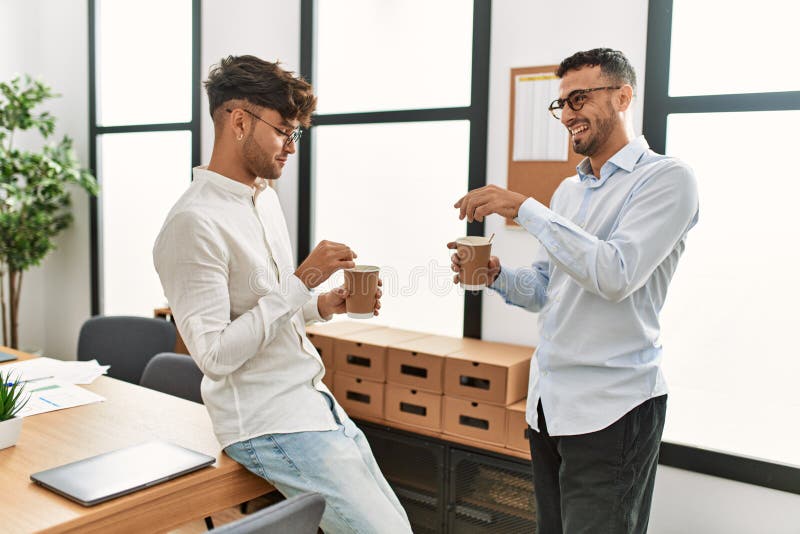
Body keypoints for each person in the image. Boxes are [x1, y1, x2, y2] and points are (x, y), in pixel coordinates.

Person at [153, 55, 411, 534]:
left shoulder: (263, 198)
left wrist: (318, 305)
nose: (292, 146)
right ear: (237, 121)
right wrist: (303, 280)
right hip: (264, 419)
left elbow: (266, 311)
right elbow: (213, 355)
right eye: (283, 131)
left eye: (296, 133)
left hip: (310, 400)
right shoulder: (193, 223)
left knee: (398, 526)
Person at [450, 48, 699, 533]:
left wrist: (526, 208)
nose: (567, 114)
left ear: (623, 96)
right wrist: (496, 275)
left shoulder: (667, 180)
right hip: (550, 407)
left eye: (579, 98)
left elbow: (615, 274)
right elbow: (546, 289)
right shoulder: (569, 192)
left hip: (614, 409)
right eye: (561, 103)